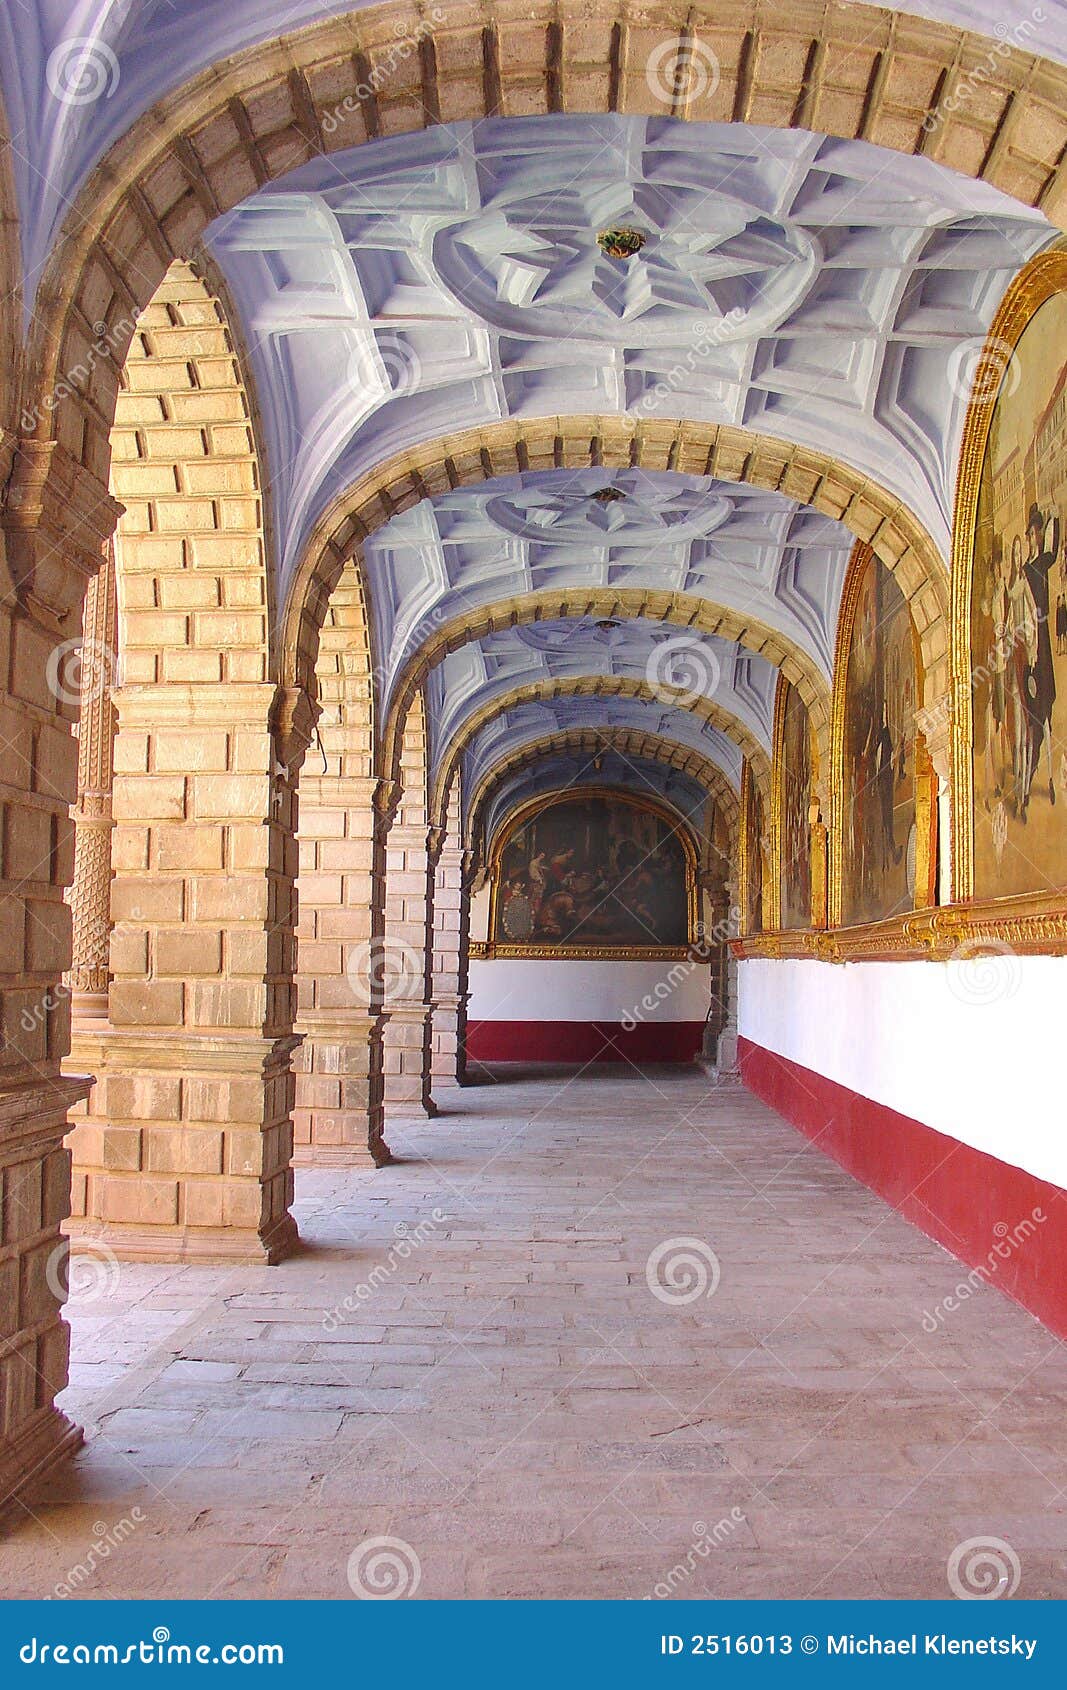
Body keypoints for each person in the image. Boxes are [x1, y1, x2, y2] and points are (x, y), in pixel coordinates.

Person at [1021, 503, 1059, 815]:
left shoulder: (1042, 562)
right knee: (1033, 708)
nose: (1035, 538)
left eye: (1037, 533)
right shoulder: (1025, 570)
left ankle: (1044, 770)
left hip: (1043, 635)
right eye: (1032, 534)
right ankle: (1033, 768)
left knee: (1046, 699)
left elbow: (1054, 551)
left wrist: (1055, 518)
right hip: (1031, 641)